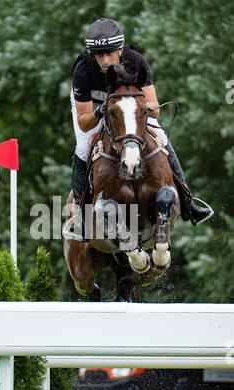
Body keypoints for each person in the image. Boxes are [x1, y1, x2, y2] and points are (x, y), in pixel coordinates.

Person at [64, 18, 213, 242]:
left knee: (160, 136)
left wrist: (135, 106)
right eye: (99, 55)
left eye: (110, 53)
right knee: (83, 148)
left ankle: (188, 202)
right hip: (95, 108)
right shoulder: (84, 70)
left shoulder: (136, 61)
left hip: (130, 107)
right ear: (92, 54)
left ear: (120, 50)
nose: (105, 60)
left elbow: (154, 109)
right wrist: (103, 111)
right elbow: (84, 121)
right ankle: (83, 219)